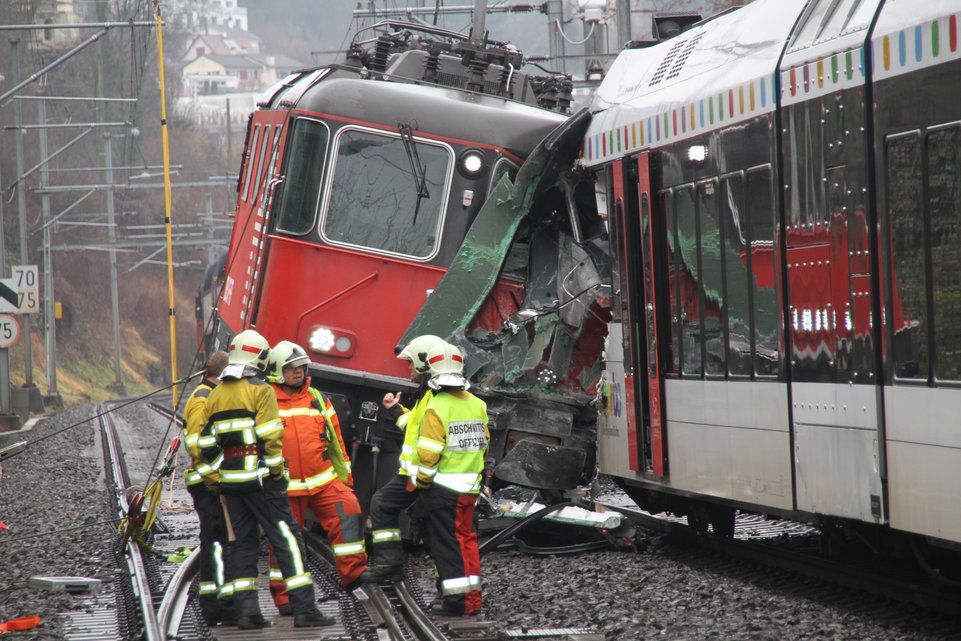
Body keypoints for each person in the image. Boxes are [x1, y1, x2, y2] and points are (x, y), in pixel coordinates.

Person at [200, 329, 333, 630]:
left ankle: (247, 613)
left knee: (243, 544)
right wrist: (276, 473)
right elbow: (271, 438)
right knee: (287, 540)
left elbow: (206, 446)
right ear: (260, 357)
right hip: (262, 481)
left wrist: (226, 468)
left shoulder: (216, 393)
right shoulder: (261, 391)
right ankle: (305, 608)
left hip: (232, 482)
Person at [265, 341, 367, 612]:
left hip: (323, 480)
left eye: (301, 367)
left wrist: (345, 481)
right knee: (285, 542)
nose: (298, 372)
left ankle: (354, 573)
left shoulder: (318, 399)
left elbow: (336, 443)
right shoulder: (266, 401)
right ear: (277, 371)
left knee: (349, 509)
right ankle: (285, 597)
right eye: (291, 368)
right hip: (285, 488)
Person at [359, 334, 445, 583]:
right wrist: (395, 410)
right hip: (417, 474)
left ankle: (451, 590)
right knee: (382, 504)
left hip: (430, 476)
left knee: (437, 531)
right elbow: (415, 427)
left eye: (411, 363)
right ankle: (389, 566)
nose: (408, 368)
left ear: (424, 363)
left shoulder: (436, 397)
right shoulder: (427, 394)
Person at [411, 341, 488, 616]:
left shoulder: (438, 407)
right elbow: (484, 443)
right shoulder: (478, 404)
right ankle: (472, 600)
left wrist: (421, 484)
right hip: (470, 488)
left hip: (444, 490)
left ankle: (456, 603)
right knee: (466, 540)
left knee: (448, 546)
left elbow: (429, 456)